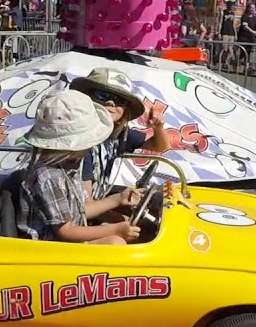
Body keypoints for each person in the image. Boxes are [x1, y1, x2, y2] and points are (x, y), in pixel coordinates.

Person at [15, 89, 142, 244]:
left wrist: (118, 199)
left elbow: (82, 209)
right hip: (49, 248)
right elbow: (65, 231)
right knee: (115, 242)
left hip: (67, 240)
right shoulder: (49, 177)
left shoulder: (70, 167)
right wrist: (116, 230)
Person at [71, 67, 170, 202]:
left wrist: (158, 127)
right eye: (102, 95)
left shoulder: (116, 134)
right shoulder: (78, 141)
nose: (111, 102)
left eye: (120, 100)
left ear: (125, 110)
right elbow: (84, 206)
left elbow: (160, 147)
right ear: (86, 97)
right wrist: (119, 215)